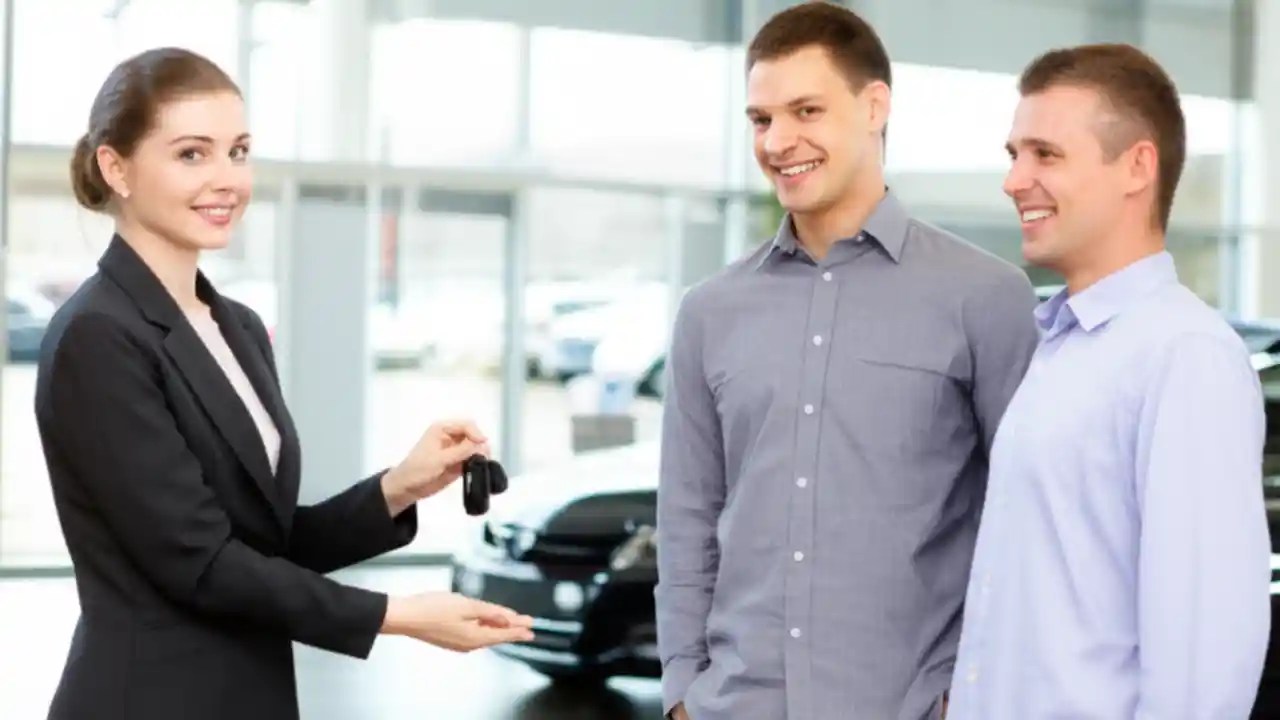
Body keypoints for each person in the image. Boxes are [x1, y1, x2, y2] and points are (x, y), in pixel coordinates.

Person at [35, 47, 534, 720]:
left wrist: (398, 487)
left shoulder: (236, 326)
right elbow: (200, 563)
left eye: (238, 152)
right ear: (116, 167)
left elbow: (263, 547)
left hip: (250, 694)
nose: (227, 180)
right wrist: (399, 614)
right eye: (192, 154)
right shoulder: (97, 335)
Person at [654, 3, 1041, 719]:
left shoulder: (985, 297)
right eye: (761, 119)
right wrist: (682, 690)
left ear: (874, 107)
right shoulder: (710, 311)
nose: (778, 141)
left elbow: (1024, 521)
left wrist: (971, 693)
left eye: (806, 111)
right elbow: (686, 519)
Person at [946, 43, 1271, 719]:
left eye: (1045, 154)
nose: (1014, 180)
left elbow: (1204, 669)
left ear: (1137, 168)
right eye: (1014, 154)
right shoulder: (1057, 347)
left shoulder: (1184, 356)